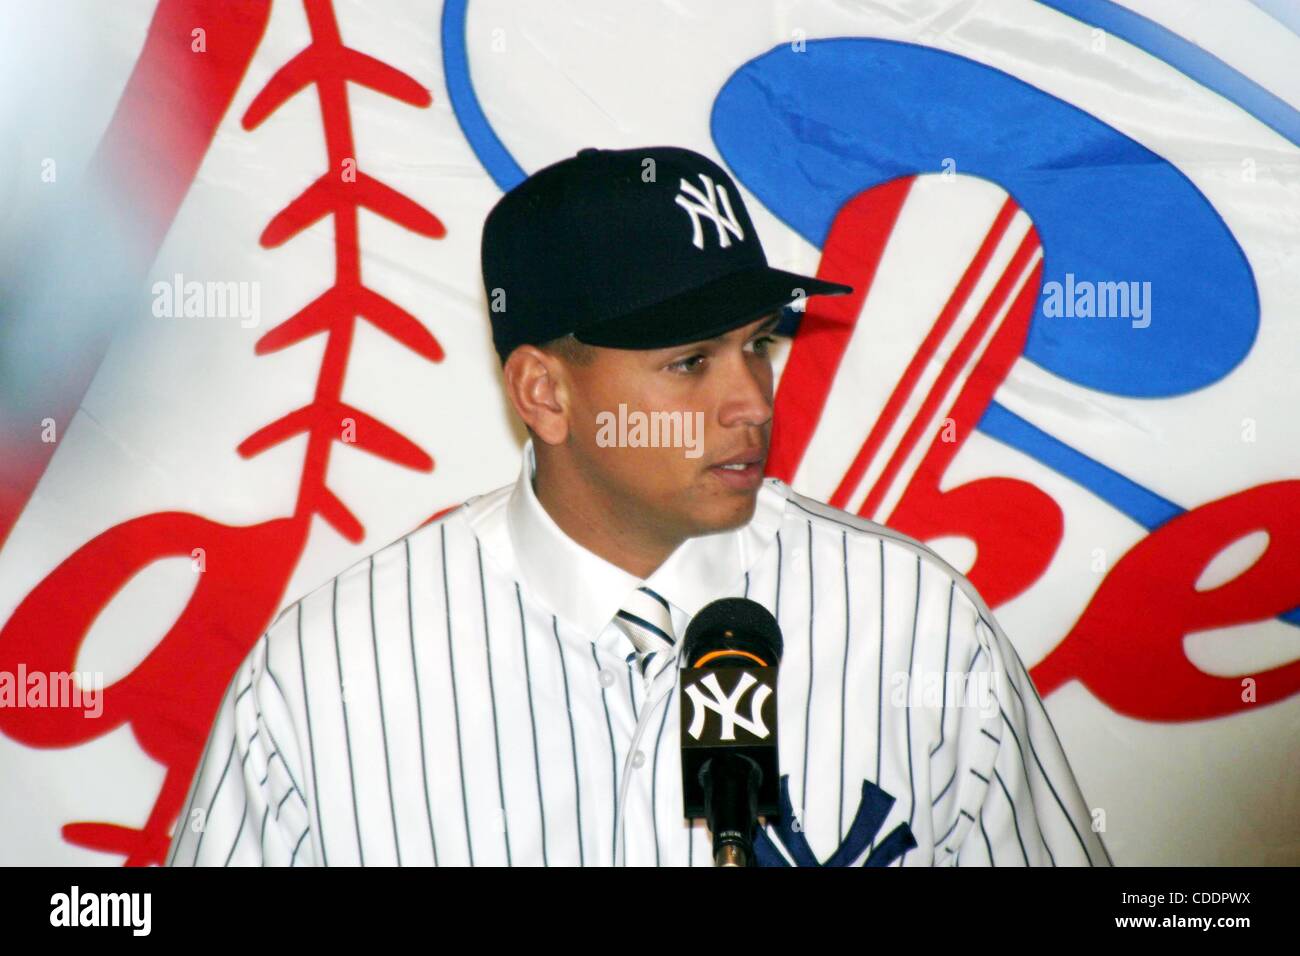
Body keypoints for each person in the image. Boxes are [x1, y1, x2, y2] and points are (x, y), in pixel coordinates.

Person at [167, 145, 1110, 867]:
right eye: (690, 361)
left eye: (757, 344)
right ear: (545, 393)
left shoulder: (916, 620)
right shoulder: (331, 667)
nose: (751, 400)